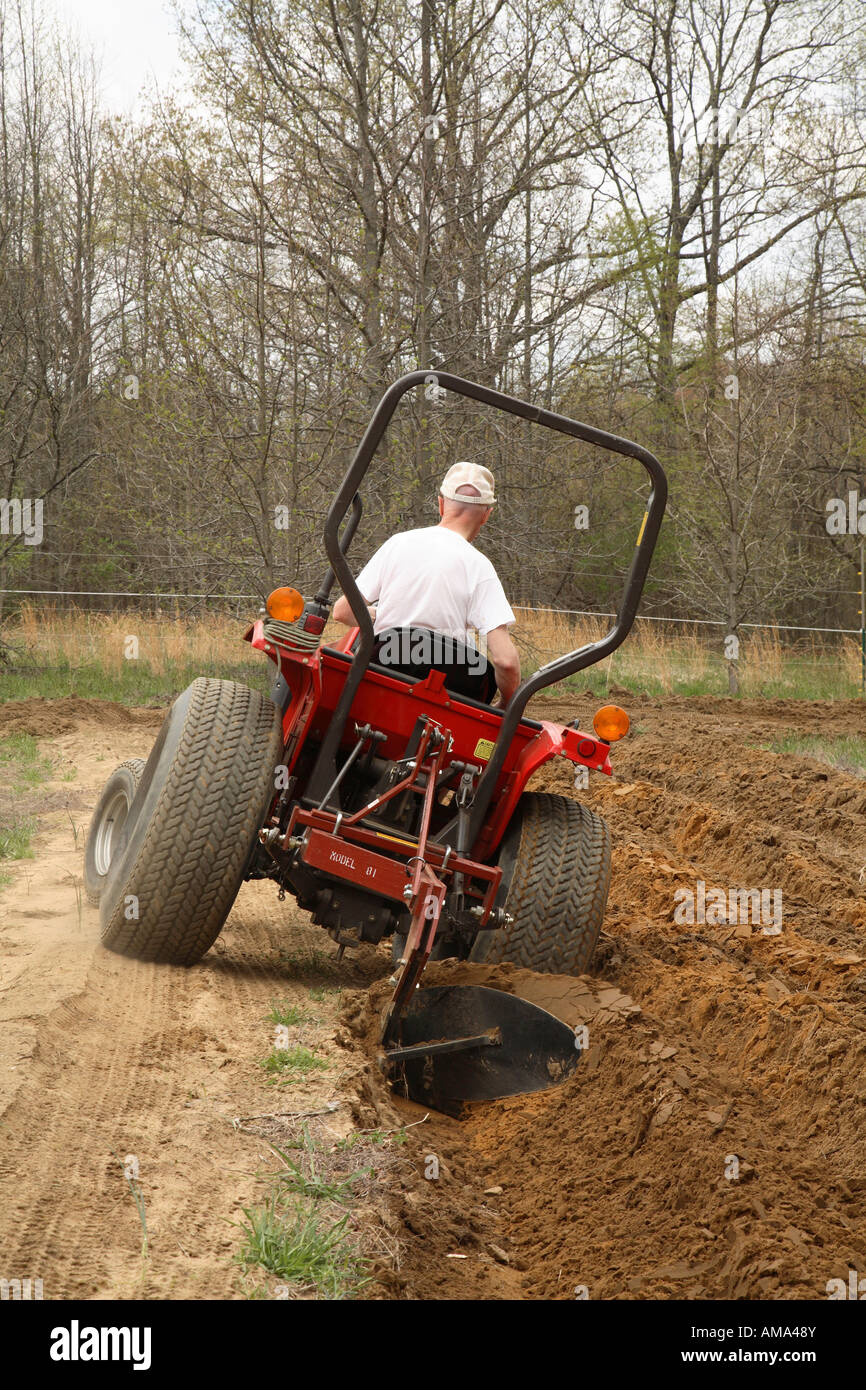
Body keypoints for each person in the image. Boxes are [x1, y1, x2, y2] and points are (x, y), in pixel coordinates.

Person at [331, 461, 522, 705]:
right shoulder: (480, 567)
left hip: (386, 669)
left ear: (441, 504)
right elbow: (506, 661)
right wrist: (506, 706)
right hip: (452, 690)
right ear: (486, 515)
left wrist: (379, 614)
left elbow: (342, 611)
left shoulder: (399, 544)